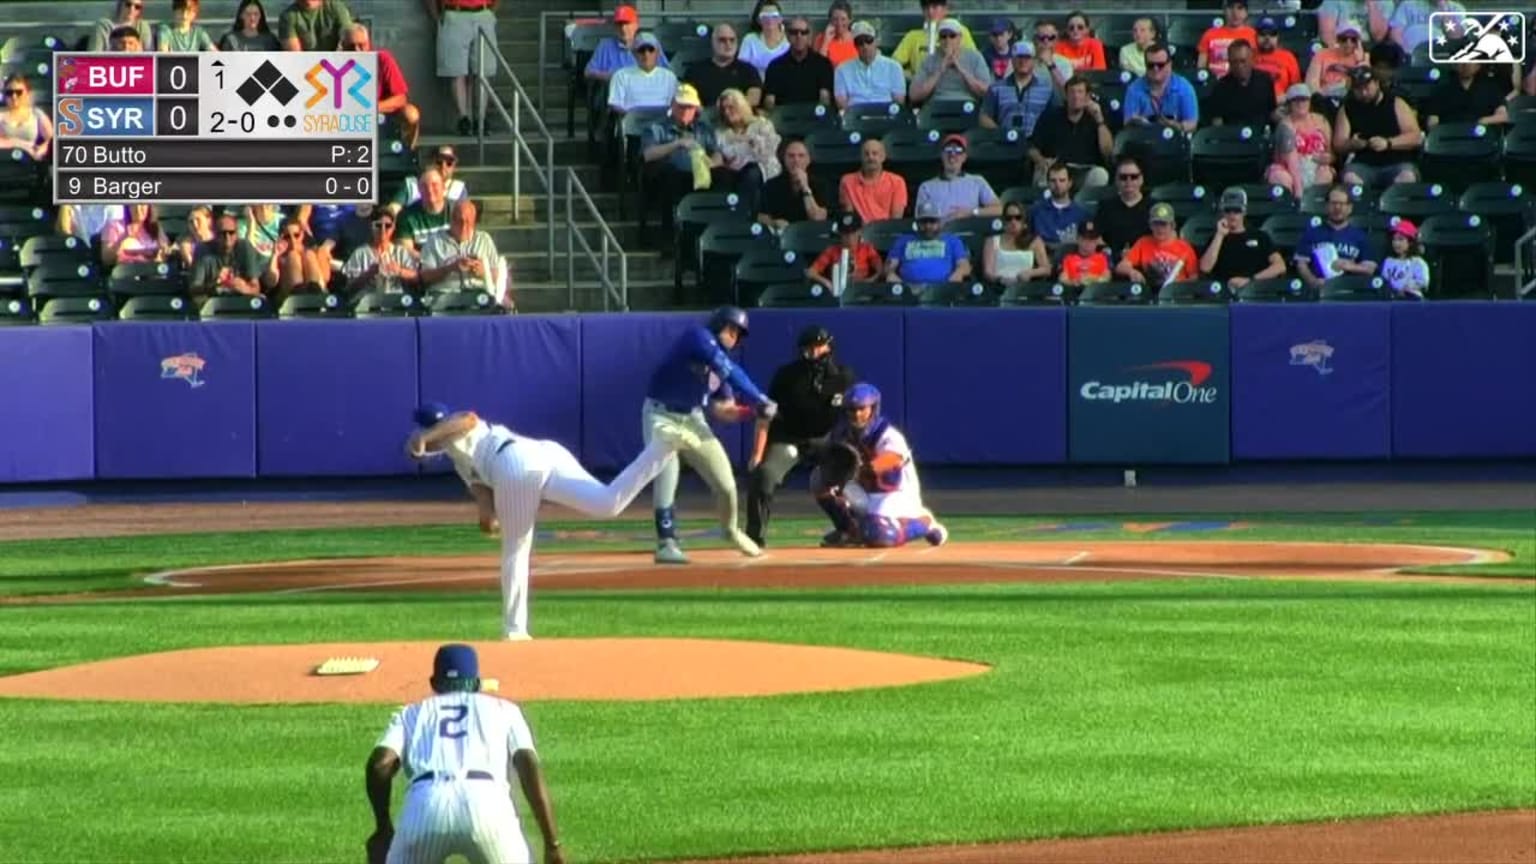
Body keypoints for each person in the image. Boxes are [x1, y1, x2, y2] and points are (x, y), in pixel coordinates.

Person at [406, 402, 690, 637]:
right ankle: (663, 447)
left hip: (514, 463)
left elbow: (466, 419)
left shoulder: (458, 427)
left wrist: (424, 437)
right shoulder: (461, 461)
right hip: (542, 455)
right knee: (606, 504)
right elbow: (484, 505)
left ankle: (514, 631)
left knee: (516, 551)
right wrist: (490, 521)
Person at [365, 644, 565, 864]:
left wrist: (383, 827)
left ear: (433, 683)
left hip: (425, 806)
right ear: (477, 683)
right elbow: (528, 763)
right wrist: (552, 843)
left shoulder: (411, 713)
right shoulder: (505, 709)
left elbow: (380, 765)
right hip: (488, 806)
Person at [643, 306, 777, 565]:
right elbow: (729, 369)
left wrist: (754, 412)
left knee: (726, 485)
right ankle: (666, 542)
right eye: (731, 328)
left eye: (739, 333)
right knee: (667, 475)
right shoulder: (698, 336)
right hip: (661, 415)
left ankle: (730, 530)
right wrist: (759, 398)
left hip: (693, 419)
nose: (734, 336)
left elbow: (723, 410)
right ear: (718, 324)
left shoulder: (718, 368)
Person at [745, 325, 858, 547]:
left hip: (825, 441)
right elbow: (765, 415)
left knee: (853, 471)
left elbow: (855, 413)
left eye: (819, 346)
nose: (814, 352)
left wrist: (857, 446)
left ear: (829, 346)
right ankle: (754, 537)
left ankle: (850, 528)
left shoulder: (843, 376)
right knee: (765, 475)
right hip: (790, 439)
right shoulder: (786, 376)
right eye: (809, 347)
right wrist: (757, 454)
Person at [811, 383, 948, 549]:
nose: (857, 414)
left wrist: (857, 470)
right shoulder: (841, 434)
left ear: (873, 408)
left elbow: (891, 460)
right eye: (852, 409)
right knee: (819, 477)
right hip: (864, 493)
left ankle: (925, 523)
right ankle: (849, 531)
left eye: (862, 409)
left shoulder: (888, 435)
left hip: (895, 495)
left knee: (879, 535)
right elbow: (828, 459)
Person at [1334, 66, 1422, 189]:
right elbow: (1338, 144)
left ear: (1376, 83)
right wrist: (1354, 144)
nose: (1364, 93)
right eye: (1358, 89)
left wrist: (1388, 143)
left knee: (1407, 177)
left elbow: (1416, 137)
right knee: (1350, 177)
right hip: (1364, 163)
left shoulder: (1395, 103)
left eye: (1367, 88)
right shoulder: (1348, 108)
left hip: (1397, 162)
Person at [423, 0, 498, 136]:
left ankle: (481, 118)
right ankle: (464, 118)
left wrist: (491, 12)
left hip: (482, 12)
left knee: (483, 71)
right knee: (456, 70)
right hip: (454, 12)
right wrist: (437, 17)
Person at [1026, 76, 1112, 190]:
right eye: (1072, 92)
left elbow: (1107, 152)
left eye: (1080, 92)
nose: (1075, 96)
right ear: (1066, 96)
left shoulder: (1096, 118)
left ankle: (1084, 202)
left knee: (1100, 175)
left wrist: (1099, 120)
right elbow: (1032, 148)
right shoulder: (1050, 116)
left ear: (1087, 97)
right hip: (1056, 169)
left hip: (1084, 170)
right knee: (1041, 172)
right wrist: (1041, 160)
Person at [1199, 187, 1286, 288]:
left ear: (1244, 212)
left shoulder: (1260, 237)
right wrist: (1220, 235)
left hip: (1255, 290)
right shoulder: (1215, 239)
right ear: (1222, 212)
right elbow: (1205, 268)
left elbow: (1280, 266)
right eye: (1228, 210)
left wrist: (1250, 280)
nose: (1232, 215)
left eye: (1237, 210)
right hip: (1225, 291)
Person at [1295, 183, 1378, 289]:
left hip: (1349, 289)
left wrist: (1349, 266)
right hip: (1319, 289)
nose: (1337, 207)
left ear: (1350, 208)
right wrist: (1313, 282)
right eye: (1333, 203)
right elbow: (1301, 264)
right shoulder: (1311, 234)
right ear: (1326, 206)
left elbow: (1370, 269)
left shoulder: (1361, 237)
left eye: (1342, 204)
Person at [1267, 84, 1335, 198]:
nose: (1300, 104)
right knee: (1281, 177)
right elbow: (1290, 160)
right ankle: (1293, 203)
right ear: (1289, 104)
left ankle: (1313, 205)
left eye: (1304, 99)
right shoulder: (1285, 125)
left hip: (1315, 166)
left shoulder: (1321, 121)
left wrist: (1328, 158)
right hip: (1290, 168)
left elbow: (1331, 153)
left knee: (1326, 174)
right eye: (1296, 100)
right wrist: (1299, 191)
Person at [914, 134, 1001, 223]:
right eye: (948, 150)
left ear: (964, 157)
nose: (952, 154)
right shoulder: (926, 187)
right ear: (942, 155)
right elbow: (920, 219)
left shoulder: (977, 181)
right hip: (940, 231)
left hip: (969, 230)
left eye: (958, 150)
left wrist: (971, 212)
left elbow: (999, 209)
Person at [978, 42, 1056, 136]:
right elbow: (984, 116)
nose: (1023, 61)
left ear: (1034, 61)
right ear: (1012, 60)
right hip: (1006, 140)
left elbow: (1055, 117)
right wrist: (1000, 133)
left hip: (1036, 141)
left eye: (1027, 57)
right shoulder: (996, 88)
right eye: (1019, 57)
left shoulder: (1046, 89)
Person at [908, 18, 992, 105]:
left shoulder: (975, 57)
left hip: (967, 103)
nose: (947, 40)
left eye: (952, 36)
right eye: (943, 36)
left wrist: (960, 69)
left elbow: (986, 92)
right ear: (939, 39)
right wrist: (940, 70)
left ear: (960, 38)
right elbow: (914, 96)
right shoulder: (929, 60)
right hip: (937, 104)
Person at [1115, 202, 1199, 287]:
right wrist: (1132, 272)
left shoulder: (1185, 248)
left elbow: (1194, 277)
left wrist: (1181, 286)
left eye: (1164, 224)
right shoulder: (1143, 243)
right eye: (1156, 224)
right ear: (1150, 226)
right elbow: (1120, 267)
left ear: (1172, 226)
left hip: (1176, 292)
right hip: (1150, 291)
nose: (1160, 229)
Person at [885, 201, 970, 283]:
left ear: (940, 222)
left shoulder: (952, 240)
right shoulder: (903, 240)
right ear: (917, 223)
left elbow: (965, 266)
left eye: (932, 221)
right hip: (908, 289)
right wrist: (891, 274)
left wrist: (957, 275)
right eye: (923, 222)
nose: (928, 226)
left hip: (944, 288)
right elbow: (889, 266)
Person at [1123, 43, 1198, 132]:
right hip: (1144, 137)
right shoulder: (1134, 89)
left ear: (1169, 64)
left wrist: (1176, 126)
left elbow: (1192, 124)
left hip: (1175, 136)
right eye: (1151, 65)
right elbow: (1127, 124)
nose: (1155, 69)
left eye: (1160, 65)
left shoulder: (1184, 87)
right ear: (1145, 65)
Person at [762, 16, 835, 108]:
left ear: (810, 36)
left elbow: (825, 98)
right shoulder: (775, 66)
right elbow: (769, 101)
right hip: (784, 115)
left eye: (804, 32)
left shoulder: (823, 64)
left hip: (813, 115)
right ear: (787, 36)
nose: (799, 36)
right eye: (794, 32)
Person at [892, 0, 977, 78]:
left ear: (945, 9)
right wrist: (911, 76)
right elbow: (893, 64)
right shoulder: (912, 36)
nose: (930, 12)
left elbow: (974, 61)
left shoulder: (959, 32)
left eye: (935, 7)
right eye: (926, 8)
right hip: (922, 84)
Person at [833, 21, 907, 108]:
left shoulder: (894, 67)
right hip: (856, 113)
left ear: (876, 42)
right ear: (855, 45)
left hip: (885, 113)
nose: (865, 46)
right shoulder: (842, 70)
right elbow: (841, 103)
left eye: (868, 40)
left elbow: (899, 102)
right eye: (860, 42)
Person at [1204, 40, 1276, 128]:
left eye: (1243, 61)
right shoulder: (1220, 87)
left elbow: (1272, 111)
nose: (1239, 66)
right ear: (1229, 63)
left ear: (1251, 60)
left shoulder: (1265, 80)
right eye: (1234, 62)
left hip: (1260, 132)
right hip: (1232, 133)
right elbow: (1217, 121)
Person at [807, 211, 883, 293]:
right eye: (846, 234)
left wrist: (871, 280)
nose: (850, 238)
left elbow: (879, 268)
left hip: (861, 291)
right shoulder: (831, 250)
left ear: (860, 231)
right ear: (840, 233)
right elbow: (811, 272)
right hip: (838, 291)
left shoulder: (867, 248)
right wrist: (827, 283)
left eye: (853, 233)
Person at [838, 139, 908, 223]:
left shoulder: (897, 182)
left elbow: (896, 220)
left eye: (875, 153)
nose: (870, 157)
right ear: (861, 157)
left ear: (883, 157)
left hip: (887, 229)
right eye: (866, 154)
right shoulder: (847, 181)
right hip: (859, 229)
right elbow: (849, 217)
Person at [983, 201, 1052, 286]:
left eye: (1018, 218)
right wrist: (1000, 279)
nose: (1013, 222)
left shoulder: (1035, 241)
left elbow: (1046, 269)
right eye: (1009, 218)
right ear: (1004, 221)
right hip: (999, 286)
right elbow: (988, 272)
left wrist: (1030, 273)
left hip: (1024, 287)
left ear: (1024, 221)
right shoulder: (992, 241)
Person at [1425, 62, 1511, 128]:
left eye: (1470, 61)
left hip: (1482, 137)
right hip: (1450, 138)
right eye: (1462, 61)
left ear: (1478, 65)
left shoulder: (1490, 87)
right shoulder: (1442, 89)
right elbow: (1432, 121)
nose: (1466, 64)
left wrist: (1482, 121)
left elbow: (1503, 116)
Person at [1305, 19, 1367, 99]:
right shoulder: (1322, 54)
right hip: (1325, 98)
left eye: (1353, 39)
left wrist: (1360, 61)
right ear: (1337, 40)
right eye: (1344, 39)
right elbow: (1311, 84)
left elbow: (1365, 85)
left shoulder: (1364, 57)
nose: (1348, 43)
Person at [0, 75, 54, 162]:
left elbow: (51, 140)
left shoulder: (37, 114)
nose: (14, 96)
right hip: (5, 162)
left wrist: (41, 149)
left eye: (19, 92)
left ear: (27, 93)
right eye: (10, 93)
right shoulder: (1, 117)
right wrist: (23, 146)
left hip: (31, 162)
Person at [1198, 0, 1256, 78]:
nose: (1235, 13)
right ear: (1224, 10)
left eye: (1240, 8)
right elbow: (1201, 65)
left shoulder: (1254, 35)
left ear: (1246, 12)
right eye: (1231, 8)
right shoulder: (1210, 34)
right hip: (1215, 81)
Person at [1252, 16, 1302, 103]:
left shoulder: (1288, 57)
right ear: (1256, 36)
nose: (1267, 38)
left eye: (1272, 34)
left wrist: (1285, 98)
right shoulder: (1248, 55)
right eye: (1263, 34)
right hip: (1254, 102)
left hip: (1282, 103)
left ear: (1277, 37)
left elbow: (1296, 88)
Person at [739, 2, 791, 79]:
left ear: (780, 19)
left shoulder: (790, 40)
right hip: (755, 82)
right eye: (765, 16)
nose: (769, 20)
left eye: (774, 16)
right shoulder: (749, 40)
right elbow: (741, 67)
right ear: (758, 20)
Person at [1380, 218, 1428, 298]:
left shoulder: (1418, 262)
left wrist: (1408, 289)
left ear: (1410, 242)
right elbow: (1384, 282)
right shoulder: (1388, 261)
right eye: (1394, 239)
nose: (1396, 243)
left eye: (1400, 239)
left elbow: (1423, 283)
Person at [279, 0, 353, 51]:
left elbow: (350, 37)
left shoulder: (336, 8)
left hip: (335, 61)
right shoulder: (287, 16)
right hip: (306, 64)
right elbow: (294, 55)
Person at [1059, 219, 1111, 286]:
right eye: (1084, 239)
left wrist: (1092, 279)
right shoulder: (1068, 258)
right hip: (1074, 289)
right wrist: (1074, 282)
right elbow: (1062, 279)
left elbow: (1107, 278)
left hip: (1095, 290)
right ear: (1078, 239)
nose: (1088, 243)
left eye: (1092, 239)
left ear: (1097, 241)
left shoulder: (1103, 258)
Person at [88, 0, 154, 52]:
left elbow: (149, 54)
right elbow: (93, 55)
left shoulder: (142, 26)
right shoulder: (103, 26)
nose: (132, 9)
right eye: (128, 4)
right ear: (120, 4)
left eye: (137, 7)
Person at [814, 0, 857, 67]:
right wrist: (825, 42)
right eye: (835, 19)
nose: (839, 23)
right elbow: (817, 67)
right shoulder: (820, 39)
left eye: (843, 19)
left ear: (850, 20)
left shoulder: (857, 38)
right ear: (830, 20)